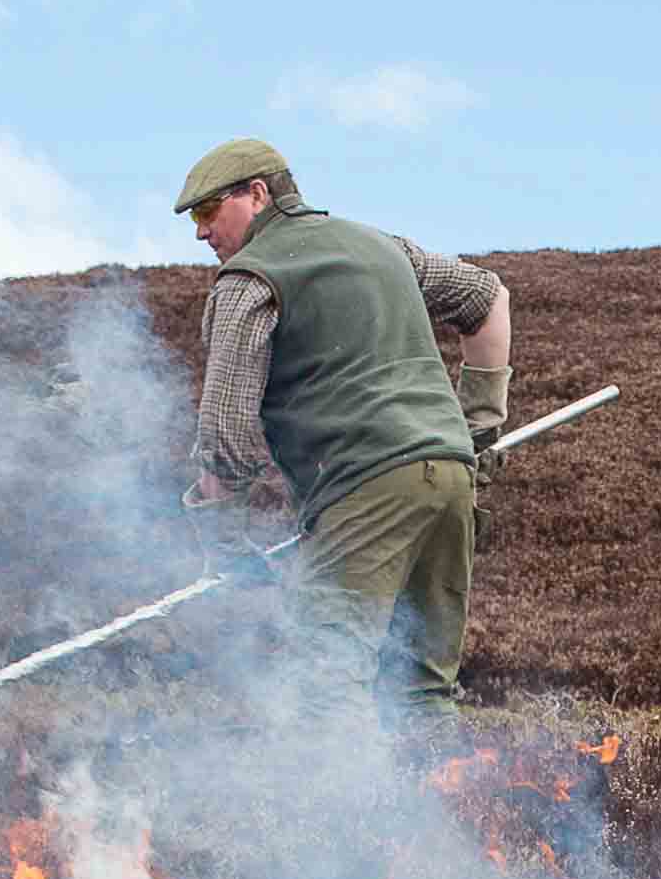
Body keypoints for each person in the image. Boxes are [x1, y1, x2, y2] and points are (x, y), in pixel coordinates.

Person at [174, 138, 514, 716]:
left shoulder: (249, 281)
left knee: (323, 689)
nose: (202, 234)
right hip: (450, 481)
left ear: (257, 195)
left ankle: (339, 810)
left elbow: (226, 434)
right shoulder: (383, 247)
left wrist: (224, 544)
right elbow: (487, 297)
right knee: (421, 691)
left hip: (364, 487)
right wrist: (477, 430)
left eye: (208, 212)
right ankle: (448, 805)